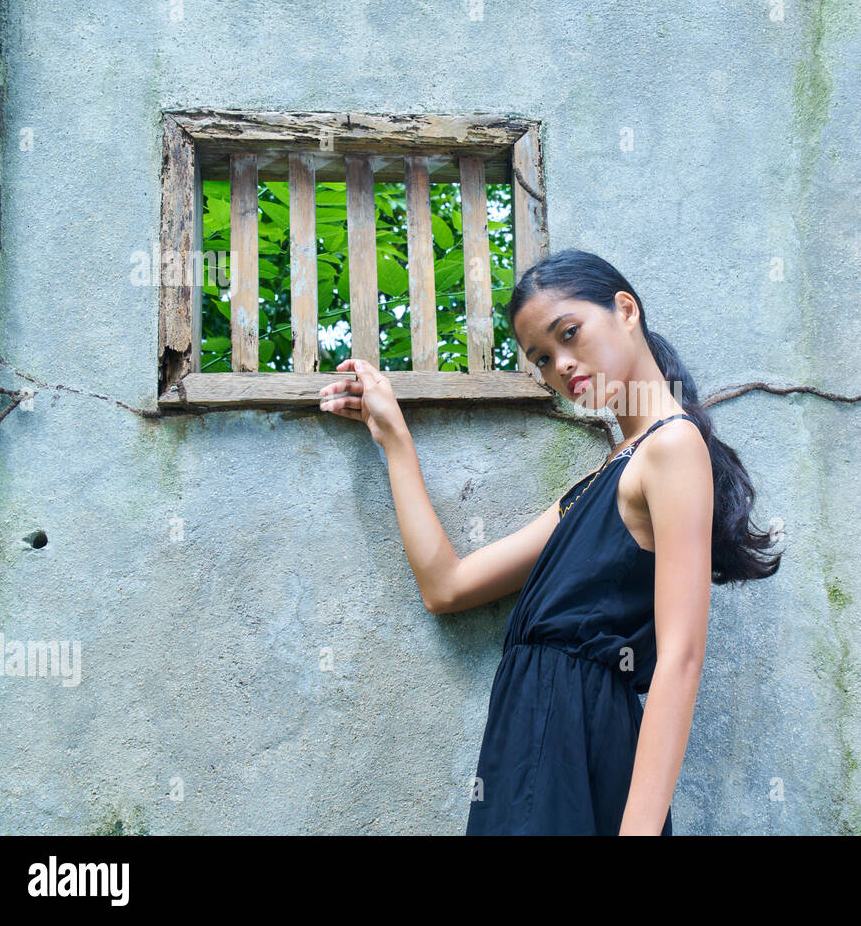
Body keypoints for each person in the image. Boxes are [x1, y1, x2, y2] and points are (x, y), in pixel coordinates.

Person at [319, 248, 782, 834]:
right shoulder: (602, 479)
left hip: (574, 746)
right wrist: (394, 438)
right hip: (526, 746)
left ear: (625, 310)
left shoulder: (672, 446)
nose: (561, 364)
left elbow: (681, 658)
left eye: (570, 334)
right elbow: (447, 586)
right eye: (541, 357)